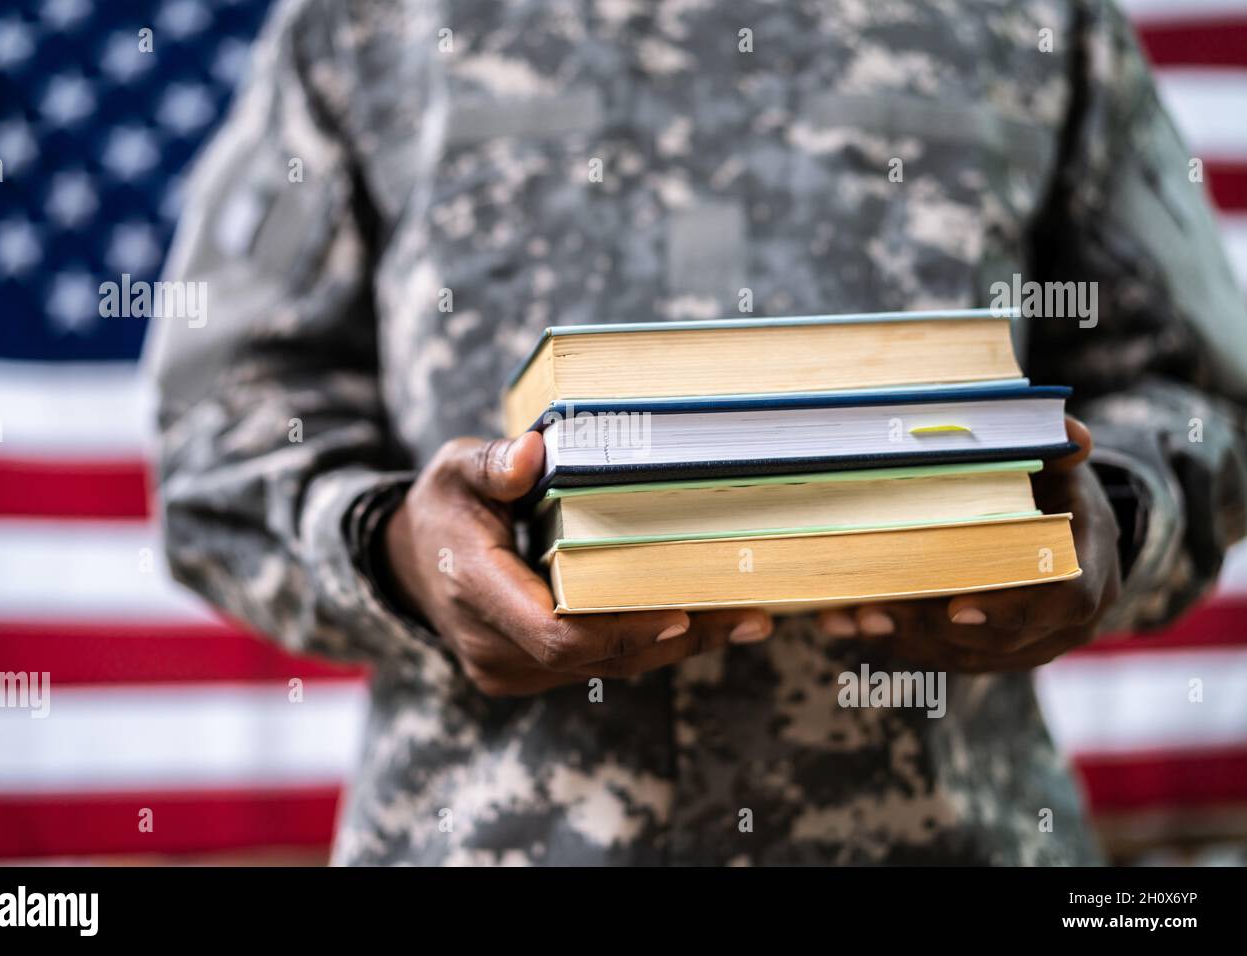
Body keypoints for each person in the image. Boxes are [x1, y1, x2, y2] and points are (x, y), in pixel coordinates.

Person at [145, 0, 1246, 865]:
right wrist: (394, 546)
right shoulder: (366, 18)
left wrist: (1113, 519)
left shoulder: (1035, 12)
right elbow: (221, 426)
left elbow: (1196, 393)